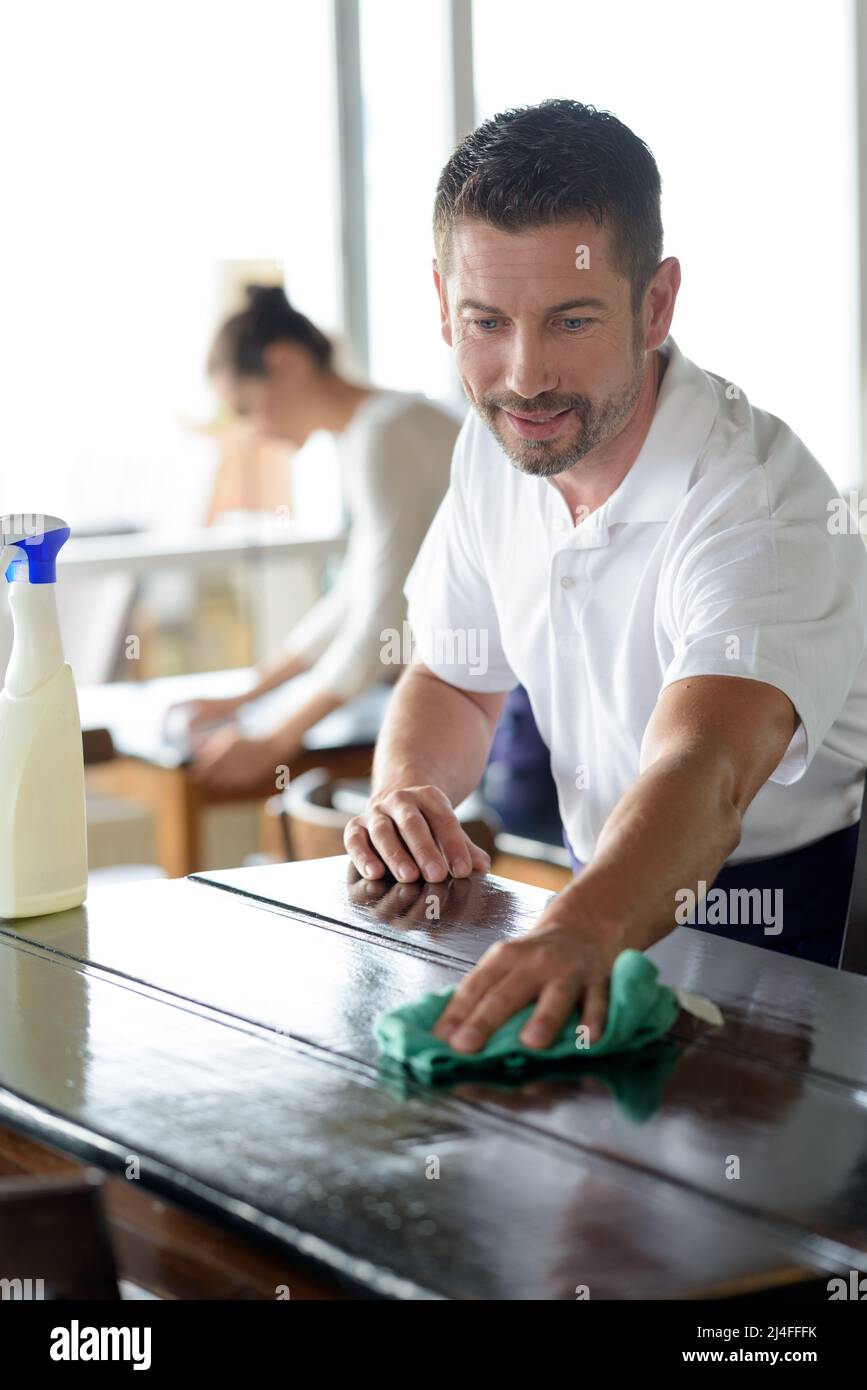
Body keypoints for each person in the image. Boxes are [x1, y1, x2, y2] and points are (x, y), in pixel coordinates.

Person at [343, 99, 867, 1054]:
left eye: (570, 319)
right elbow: (459, 678)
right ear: (441, 305)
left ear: (655, 303)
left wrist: (578, 927)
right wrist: (410, 795)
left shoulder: (757, 505)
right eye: (486, 321)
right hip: (593, 894)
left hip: (784, 933)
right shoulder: (490, 448)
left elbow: (701, 772)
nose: (524, 374)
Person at [174, 285, 461, 792]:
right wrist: (245, 698)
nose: (253, 431)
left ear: (284, 363)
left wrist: (276, 740)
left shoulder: (386, 435)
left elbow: (380, 622)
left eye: (244, 408)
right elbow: (350, 599)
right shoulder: (370, 432)